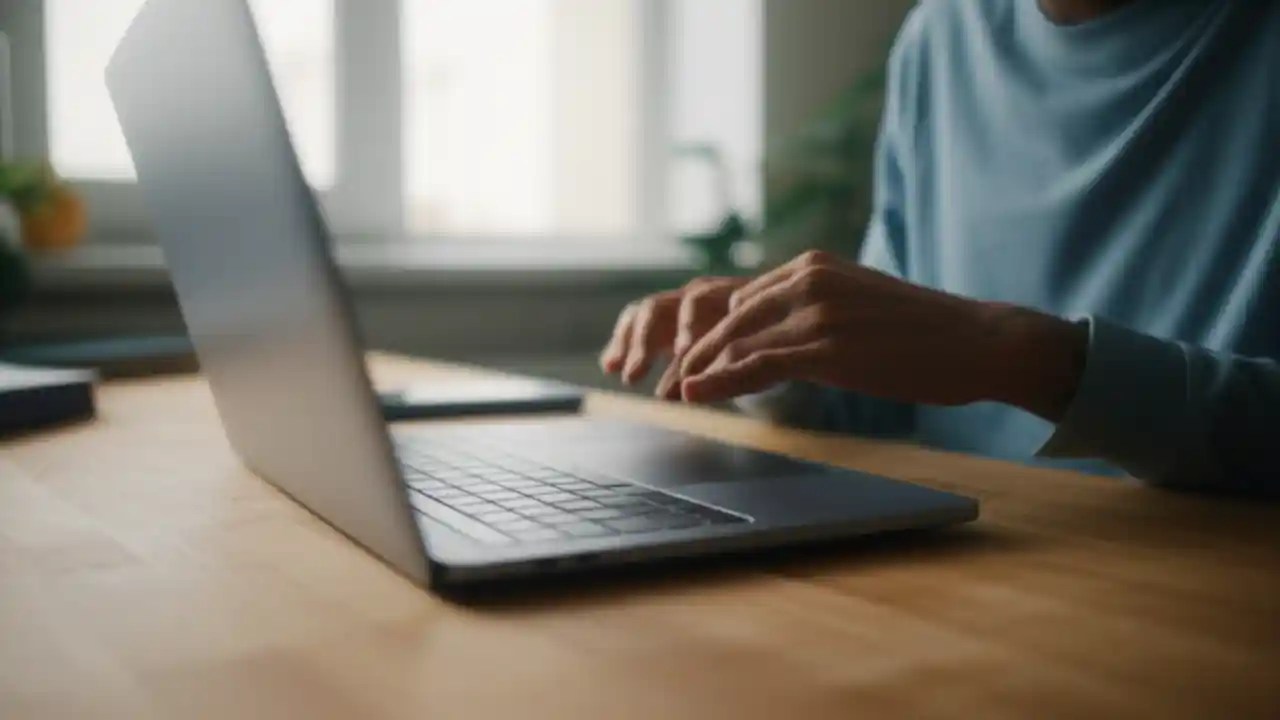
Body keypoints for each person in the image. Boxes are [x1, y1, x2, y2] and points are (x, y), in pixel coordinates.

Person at [600, 0, 1279, 495]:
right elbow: (889, 403)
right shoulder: (943, 36)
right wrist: (772, 352)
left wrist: (1027, 357)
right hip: (978, 575)